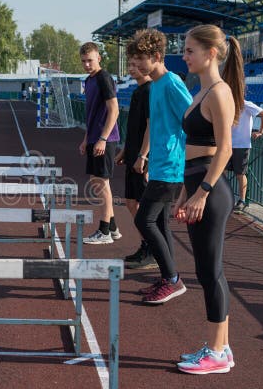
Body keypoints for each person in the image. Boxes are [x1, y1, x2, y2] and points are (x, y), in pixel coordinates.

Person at [172, 24, 243, 375]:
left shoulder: (218, 91)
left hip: (211, 191)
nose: (184, 56)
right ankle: (221, 347)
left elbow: (225, 149)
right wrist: (186, 193)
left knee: (210, 271)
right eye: (184, 50)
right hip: (197, 185)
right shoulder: (199, 91)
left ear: (210, 53)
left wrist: (202, 193)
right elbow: (191, 152)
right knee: (205, 270)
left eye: (190, 51)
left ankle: (217, 352)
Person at [130, 28, 193, 304]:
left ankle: (173, 280)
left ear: (157, 56)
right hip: (157, 165)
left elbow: (192, 119)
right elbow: (152, 127)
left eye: (141, 59)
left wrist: (183, 158)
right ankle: (168, 276)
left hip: (171, 166)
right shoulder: (154, 86)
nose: (138, 65)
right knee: (159, 223)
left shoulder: (172, 83)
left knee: (143, 219)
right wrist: (144, 157)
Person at [77, 42, 121, 245]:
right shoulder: (89, 80)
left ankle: (104, 231)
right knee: (98, 182)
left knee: (101, 183)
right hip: (95, 138)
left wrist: (103, 138)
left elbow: (114, 110)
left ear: (99, 58)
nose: (87, 64)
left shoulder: (104, 78)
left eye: (90, 60)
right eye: (84, 61)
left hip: (105, 139)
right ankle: (112, 228)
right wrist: (87, 139)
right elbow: (92, 113)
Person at [116, 49, 155, 268]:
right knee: (131, 203)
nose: (132, 68)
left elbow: (151, 126)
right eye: (129, 64)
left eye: (136, 63)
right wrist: (125, 151)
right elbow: (134, 127)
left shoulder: (150, 90)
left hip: (143, 158)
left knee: (145, 207)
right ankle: (145, 244)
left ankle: (153, 249)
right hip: (132, 155)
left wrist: (143, 155)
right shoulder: (137, 90)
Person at [230, 100, 263, 211]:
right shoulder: (228, 102)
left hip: (242, 145)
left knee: (240, 174)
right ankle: (225, 198)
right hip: (227, 143)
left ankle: (242, 201)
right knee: (222, 173)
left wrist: (260, 131)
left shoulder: (246, 104)